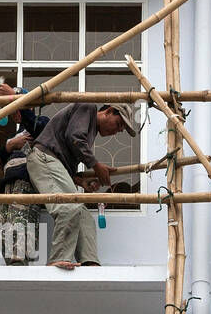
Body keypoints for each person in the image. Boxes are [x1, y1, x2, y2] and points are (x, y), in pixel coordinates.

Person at [26, 101, 141, 269]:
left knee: (84, 215)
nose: (116, 131)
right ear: (109, 111)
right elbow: (74, 138)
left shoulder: (91, 129)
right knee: (69, 207)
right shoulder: (88, 107)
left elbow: (66, 159)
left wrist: (81, 182)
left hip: (53, 162)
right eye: (118, 125)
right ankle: (57, 258)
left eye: (120, 130)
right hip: (44, 157)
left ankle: (90, 261)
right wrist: (96, 166)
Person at [0, 81, 49, 265]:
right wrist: (9, 147)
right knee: (6, 223)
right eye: (12, 110)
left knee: (22, 221)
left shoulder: (40, 122)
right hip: (9, 182)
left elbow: (33, 125)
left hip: (26, 180)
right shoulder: (15, 134)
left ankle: (21, 260)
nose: (15, 114)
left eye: (18, 108)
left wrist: (14, 95)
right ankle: (11, 261)